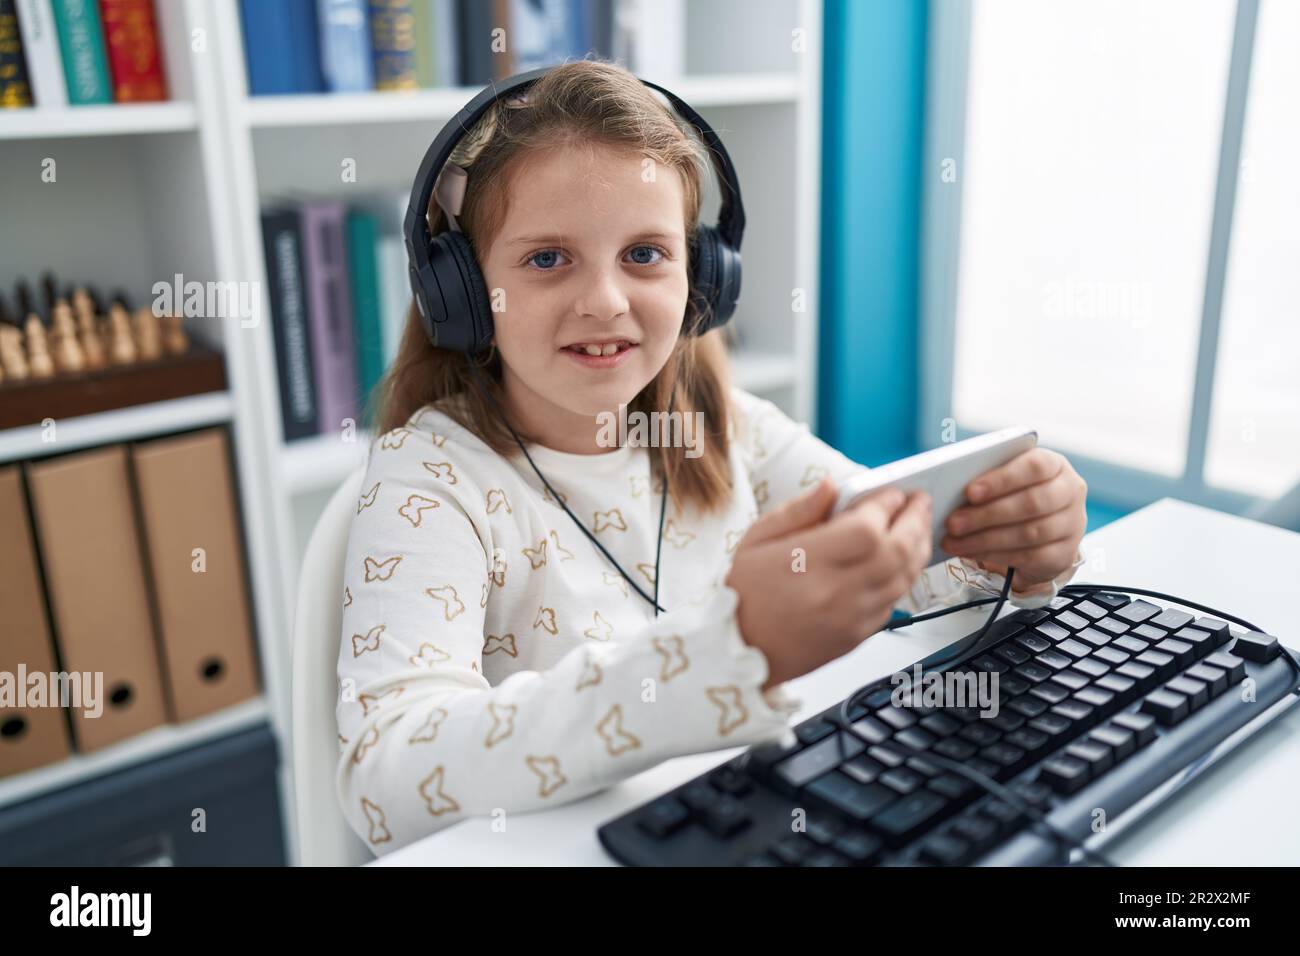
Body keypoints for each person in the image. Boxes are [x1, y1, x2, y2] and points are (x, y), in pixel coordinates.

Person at [335, 60, 1088, 856]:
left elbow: (922, 577)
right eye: (548, 259)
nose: (606, 301)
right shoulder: (430, 479)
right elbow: (386, 776)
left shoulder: (731, 430)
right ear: (459, 289)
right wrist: (728, 649)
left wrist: (1003, 544)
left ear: (703, 275)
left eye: (645, 254)